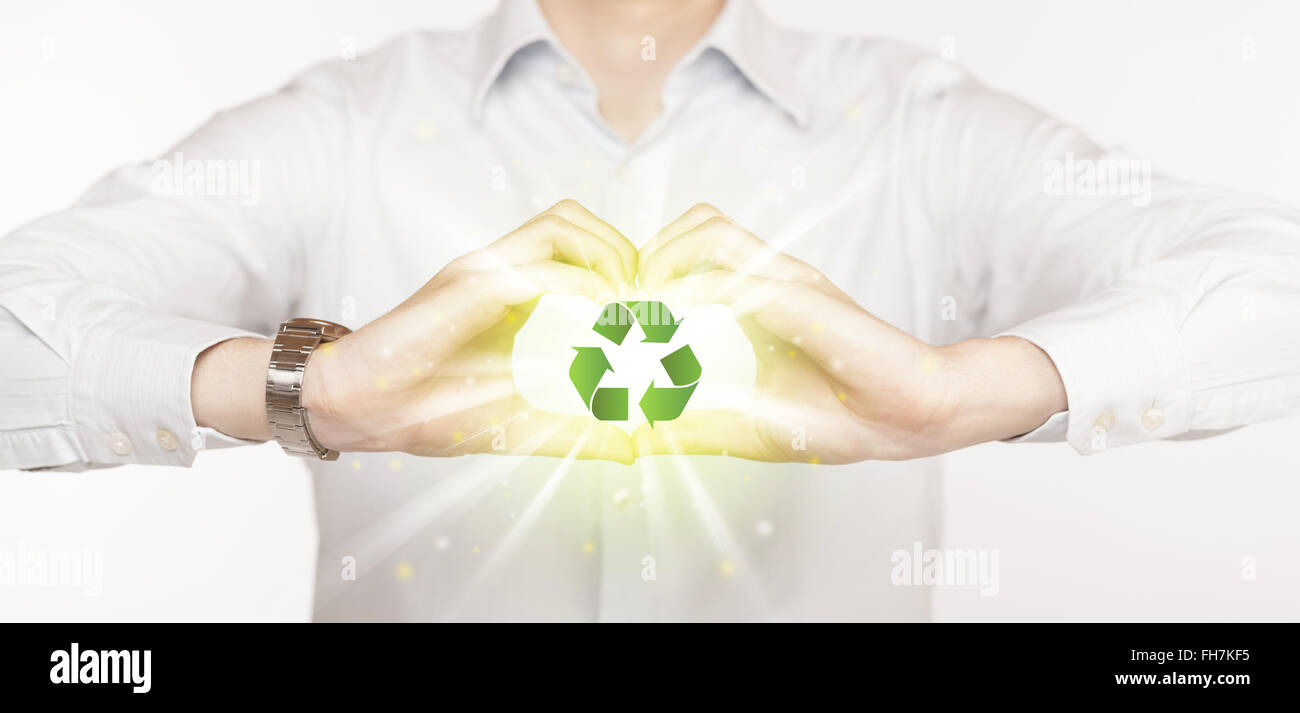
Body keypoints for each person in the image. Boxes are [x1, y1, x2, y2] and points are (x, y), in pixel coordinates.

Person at [1, 0, 1297, 621]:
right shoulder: (344, 129)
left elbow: (1274, 282)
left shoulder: (917, 130)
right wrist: (304, 390)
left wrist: (965, 393)